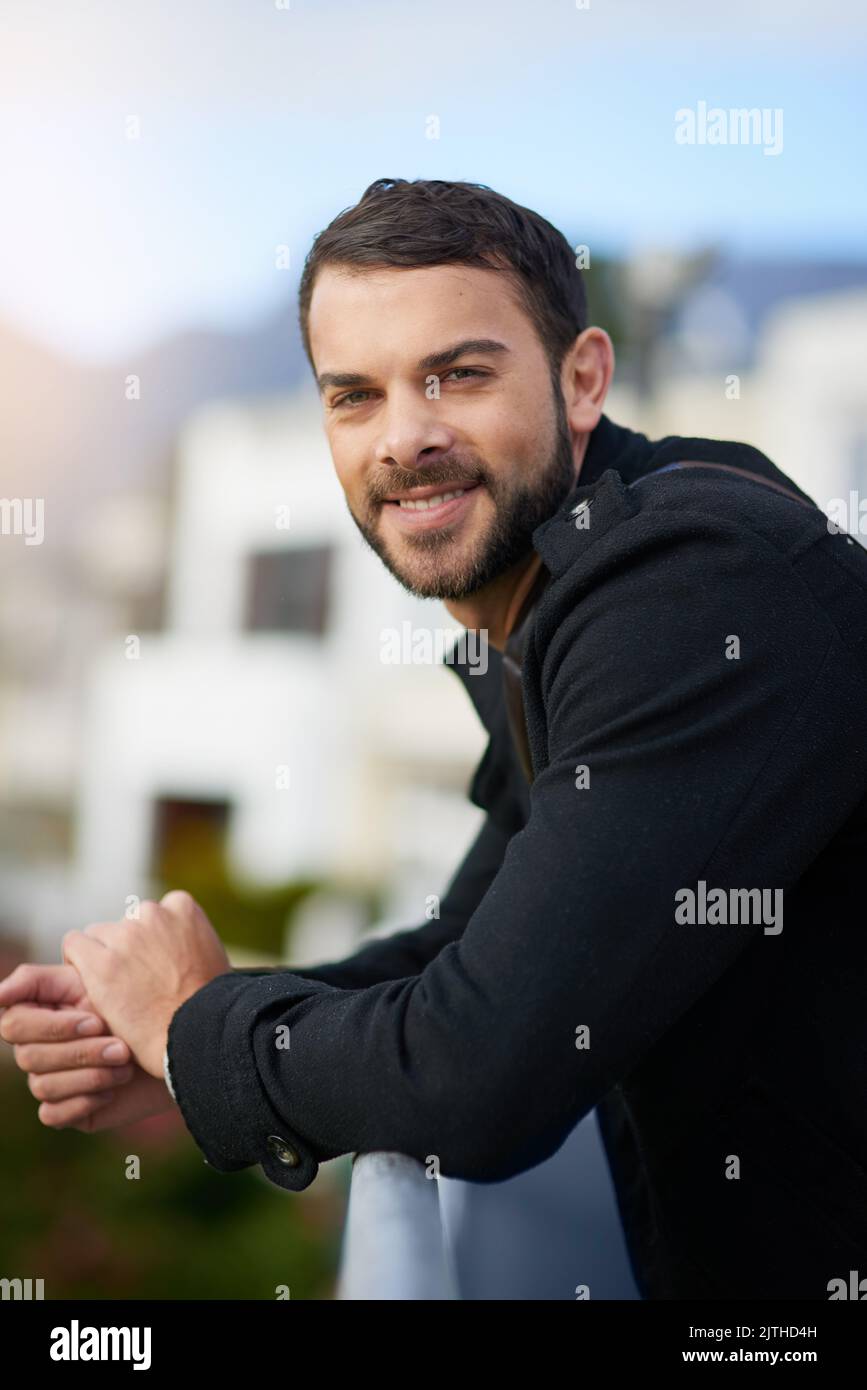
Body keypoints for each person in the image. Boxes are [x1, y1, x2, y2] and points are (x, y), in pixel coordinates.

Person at [2, 178, 867, 1299]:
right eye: (353, 395)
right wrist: (178, 1052)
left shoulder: (691, 589)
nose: (405, 437)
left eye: (458, 374)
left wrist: (205, 1032)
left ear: (583, 376)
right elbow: (462, 954)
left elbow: (483, 1077)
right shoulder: (559, 595)